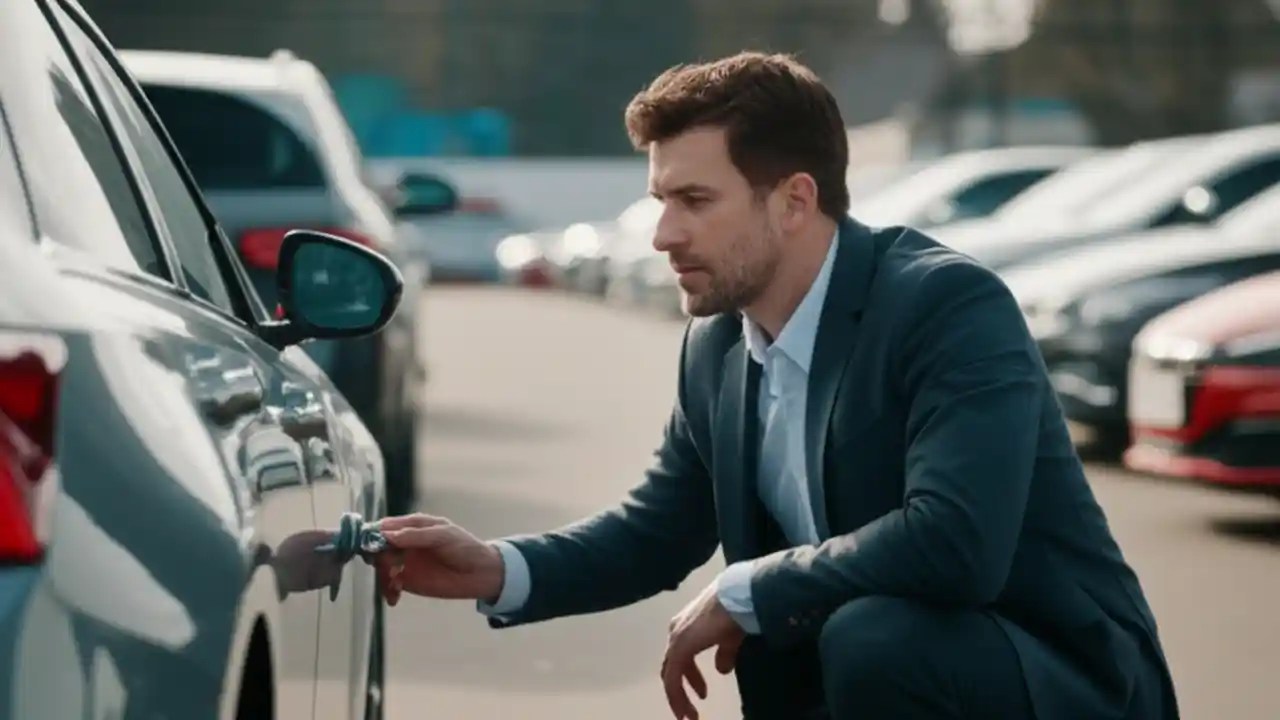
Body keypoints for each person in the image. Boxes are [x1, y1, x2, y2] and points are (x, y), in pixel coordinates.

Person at [372, 52, 1179, 720]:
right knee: (825, 639)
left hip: (1063, 679)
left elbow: (955, 544)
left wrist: (752, 584)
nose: (662, 234)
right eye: (659, 201)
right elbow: (658, 530)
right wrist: (495, 567)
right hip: (884, 679)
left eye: (694, 200)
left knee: (869, 636)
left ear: (795, 200)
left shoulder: (946, 305)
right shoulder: (716, 343)